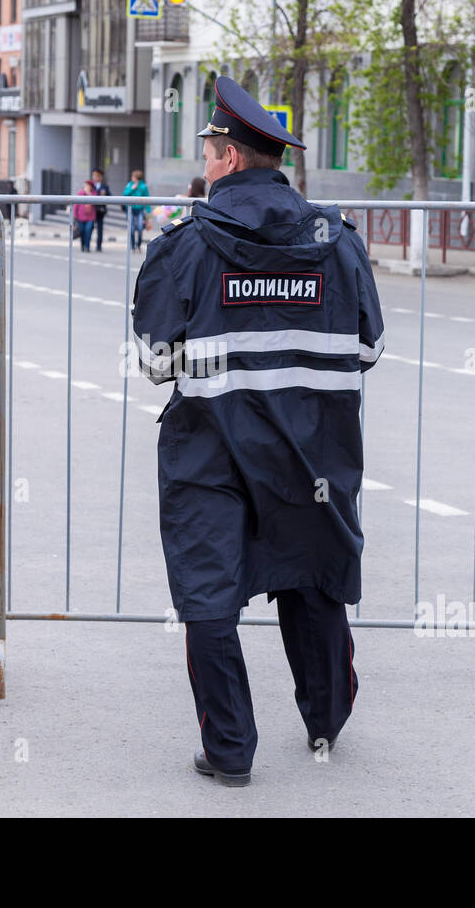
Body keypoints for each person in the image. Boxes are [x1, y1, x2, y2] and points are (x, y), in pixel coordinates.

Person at [130, 76, 385, 787]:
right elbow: (367, 348)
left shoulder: (188, 244)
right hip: (315, 451)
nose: (204, 163)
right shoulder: (337, 243)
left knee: (208, 592)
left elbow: (155, 359)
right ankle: (327, 718)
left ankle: (230, 749)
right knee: (313, 574)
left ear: (231, 159)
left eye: (210, 151)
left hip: (210, 447)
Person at [122, 169, 150, 250]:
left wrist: (148, 214)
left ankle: (139, 245)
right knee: (132, 228)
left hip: (140, 210)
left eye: (133, 176)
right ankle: (133, 246)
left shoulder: (143, 186)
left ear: (136, 177)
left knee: (140, 228)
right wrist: (132, 189)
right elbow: (124, 195)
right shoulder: (130, 185)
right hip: (130, 209)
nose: (132, 178)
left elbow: (147, 199)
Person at [89, 168, 111, 251]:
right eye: (94, 175)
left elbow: (110, 196)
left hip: (100, 211)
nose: (95, 177)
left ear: (101, 177)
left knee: (100, 228)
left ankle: (99, 246)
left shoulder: (105, 186)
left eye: (97, 176)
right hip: (91, 210)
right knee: (89, 227)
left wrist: (105, 195)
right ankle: (87, 244)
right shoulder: (90, 185)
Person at [73, 178, 98, 252]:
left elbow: (96, 202)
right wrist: (75, 215)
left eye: (88, 186)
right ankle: (82, 245)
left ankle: (87, 246)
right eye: (86, 185)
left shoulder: (94, 194)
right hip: (80, 217)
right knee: (82, 231)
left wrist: (89, 194)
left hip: (90, 217)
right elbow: (76, 205)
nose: (87, 187)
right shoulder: (80, 193)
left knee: (88, 231)